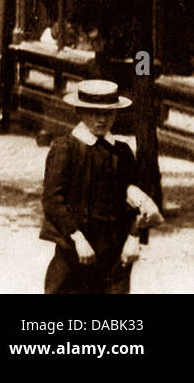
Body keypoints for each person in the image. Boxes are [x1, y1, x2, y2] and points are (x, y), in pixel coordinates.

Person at [41, 80, 163, 294]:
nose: (101, 119)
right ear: (80, 111)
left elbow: (137, 199)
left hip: (115, 257)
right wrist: (77, 238)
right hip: (75, 252)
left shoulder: (122, 152)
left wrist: (134, 238)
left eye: (108, 113)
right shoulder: (66, 149)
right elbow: (52, 200)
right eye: (94, 112)